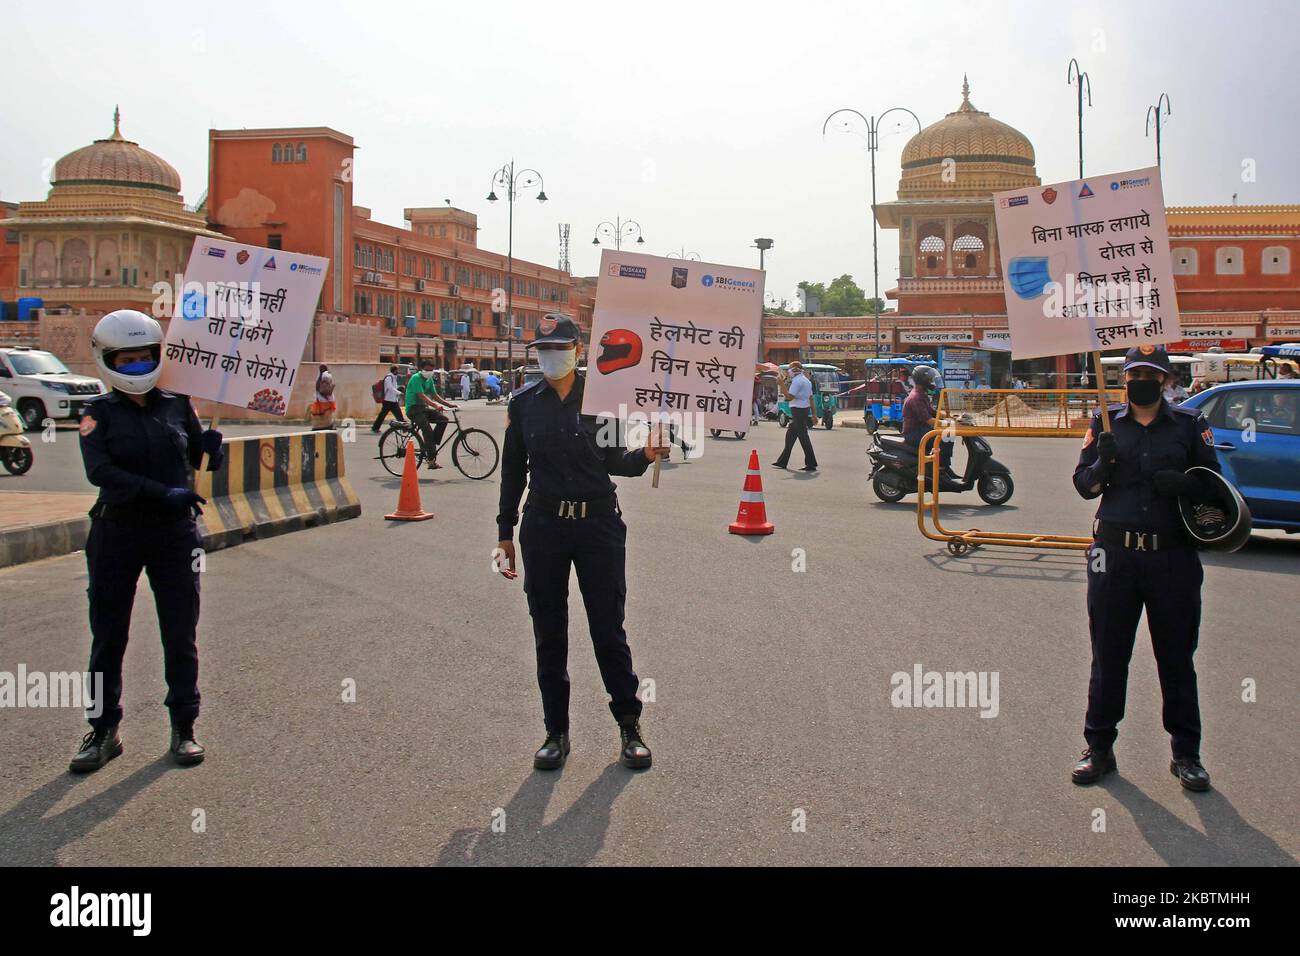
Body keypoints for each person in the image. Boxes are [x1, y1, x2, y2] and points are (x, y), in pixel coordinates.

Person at [495, 313, 668, 771]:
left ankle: (629, 727)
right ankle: (556, 732)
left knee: (608, 629)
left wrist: (647, 454)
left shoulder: (602, 401)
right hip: (544, 527)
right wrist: (504, 532)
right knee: (549, 632)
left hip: (598, 528)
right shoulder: (523, 404)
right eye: (544, 349)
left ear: (578, 349)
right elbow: (513, 470)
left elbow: (617, 461)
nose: (551, 356)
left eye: (560, 347)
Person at [71, 310, 224, 773]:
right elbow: (102, 474)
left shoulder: (178, 404)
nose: (137, 365)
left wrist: (212, 448)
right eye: (127, 358)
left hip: (175, 534)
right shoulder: (96, 414)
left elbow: (200, 458)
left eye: (145, 357)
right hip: (118, 532)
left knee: (180, 633)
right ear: (108, 360)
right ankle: (103, 730)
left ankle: (184, 727)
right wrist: (162, 492)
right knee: (108, 636)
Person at [1071, 345, 1220, 792]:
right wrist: (1104, 460)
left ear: (1166, 381)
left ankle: (1186, 753)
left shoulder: (1190, 426)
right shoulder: (1105, 422)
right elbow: (1083, 486)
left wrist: (1188, 482)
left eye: (1151, 374)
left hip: (1172, 556)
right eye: (1134, 372)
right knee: (1108, 656)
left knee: (1176, 658)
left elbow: (1214, 483)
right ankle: (1099, 748)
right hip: (1114, 555)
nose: (1141, 380)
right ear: (1124, 379)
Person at [405, 358, 458, 469]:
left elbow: (434, 395)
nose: (429, 372)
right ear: (421, 369)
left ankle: (431, 445)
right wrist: (435, 406)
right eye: (427, 369)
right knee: (427, 430)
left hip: (423, 408)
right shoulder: (416, 378)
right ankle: (430, 458)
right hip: (413, 409)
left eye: (431, 370)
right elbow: (421, 396)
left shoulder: (429, 379)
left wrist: (449, 405)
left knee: (443, 419)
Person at [902, 366, 954, 476]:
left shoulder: (922, 394)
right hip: (913, 433)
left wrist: (951, 417)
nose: (932, 381)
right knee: (945, 435)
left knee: (949, 434)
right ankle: (940, 468)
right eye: (930, 379)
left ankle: (944, 465)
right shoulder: (915, 397)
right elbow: (929, 420)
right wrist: (948, 423)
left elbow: (932, 412)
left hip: (921, 429)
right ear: (923, 380)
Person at [772, 362, 818, 472]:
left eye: (790, 369)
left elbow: (789, 397)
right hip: (802, 410)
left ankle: (811, 463)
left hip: (798, 410)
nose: (788, 372)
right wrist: (814, 414)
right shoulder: (806, 381)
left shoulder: (797, 382)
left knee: (803, 437)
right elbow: (811, 399)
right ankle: (782, 461)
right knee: (790, 436)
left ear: (795, 370)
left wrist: (781, 384)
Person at [372, 364, 406, 433]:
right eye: (397, 370)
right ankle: (375, 428)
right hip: (387, 400)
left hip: (393, 401)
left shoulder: (394, 377)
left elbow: (393, 388)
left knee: (399, 415)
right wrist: (399, 393)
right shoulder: (389, 377)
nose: (398, 371)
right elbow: (390, 388)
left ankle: (404, 428)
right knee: (382, 415)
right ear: (394, 370)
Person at [312, 363, 336, 430]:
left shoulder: (330, 396)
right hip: (317, 427)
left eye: (326, 383)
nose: (324, 385)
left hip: (328, 426)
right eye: (323, 382)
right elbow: (318, 386)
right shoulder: (318, 392)